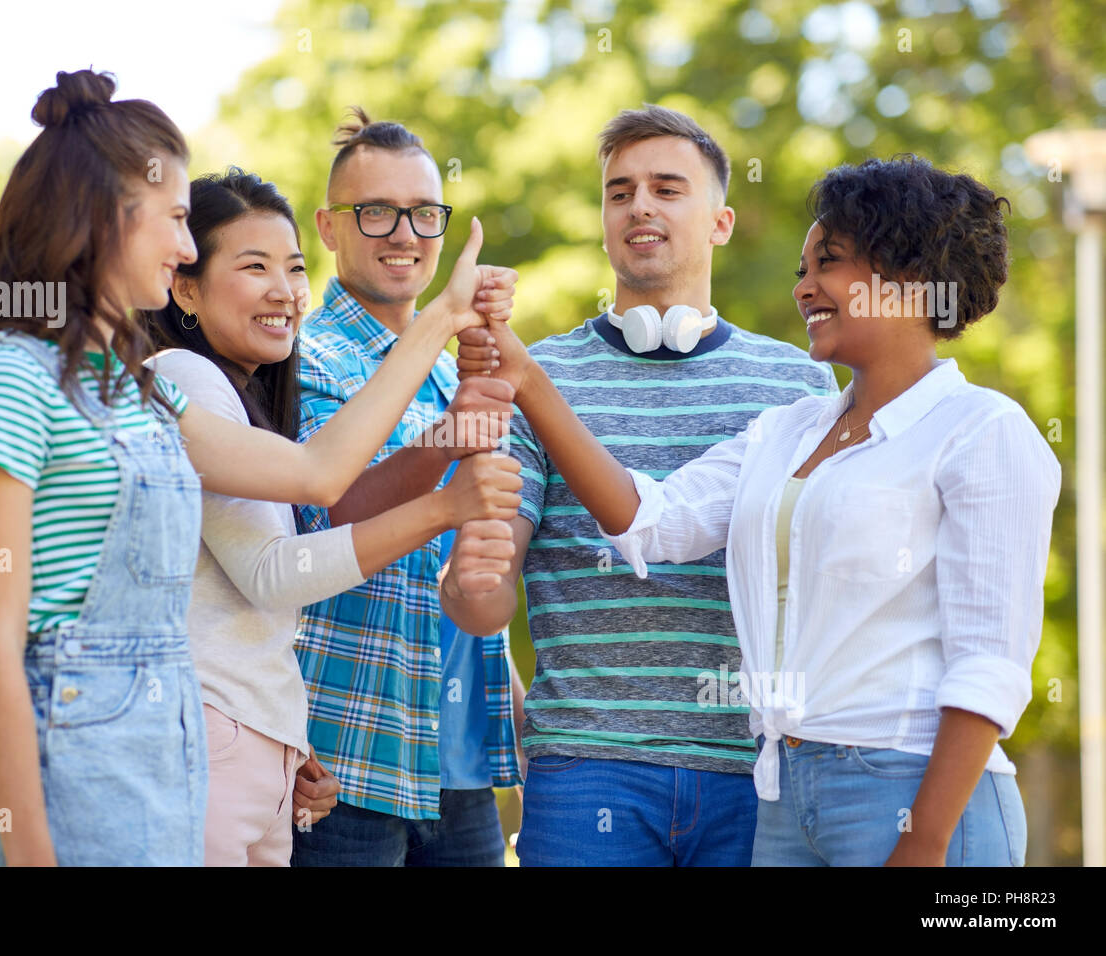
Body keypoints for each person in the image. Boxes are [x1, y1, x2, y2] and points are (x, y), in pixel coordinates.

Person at [0, 70, 516, 866]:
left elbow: (318, 472)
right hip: (76, 757)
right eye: (175, 218)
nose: (183, 244)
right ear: (105, 216)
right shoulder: (13, 377)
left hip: (173, 758)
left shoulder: (144, 395)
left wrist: (443, 321)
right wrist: (27, 850)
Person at [456, 154, 1060, 866]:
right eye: (802, 269)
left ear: (904, 275)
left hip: (916, 795)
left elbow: (989, 664)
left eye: (826, 263)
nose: (803, 289)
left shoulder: (982, 430)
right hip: (784, 795)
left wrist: (922, 839)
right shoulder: (787, 430)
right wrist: (525, 376)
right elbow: (650, 521)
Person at [440, 105, 838, 867]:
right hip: (587, 769)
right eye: (619, 192)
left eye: (666, 188)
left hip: (754, 772)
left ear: (721, 222)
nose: (640, 206)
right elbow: (484, 594)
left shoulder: (798, 382)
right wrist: (470, 582)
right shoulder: (535, 375)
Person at [144, 167, 522, 866]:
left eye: (291, 268)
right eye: (253, 266)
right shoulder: (181, 378)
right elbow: (289, 550)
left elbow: (243, 605)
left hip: (269, 751)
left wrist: (286, 737)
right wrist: (445, 499)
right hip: (219, 747)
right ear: (185, 286)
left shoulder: (244, 397)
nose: (285, 289)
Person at [290, 108, 526, 867]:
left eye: (424, 214)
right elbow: (332, 512)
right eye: (376, 212)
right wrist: (450, 437)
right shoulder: (300, 357)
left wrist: (525, 725)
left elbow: (468, 557)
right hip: (343, 761)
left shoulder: (458, 371)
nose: (404, 234)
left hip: (458, 773)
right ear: (329, 228)